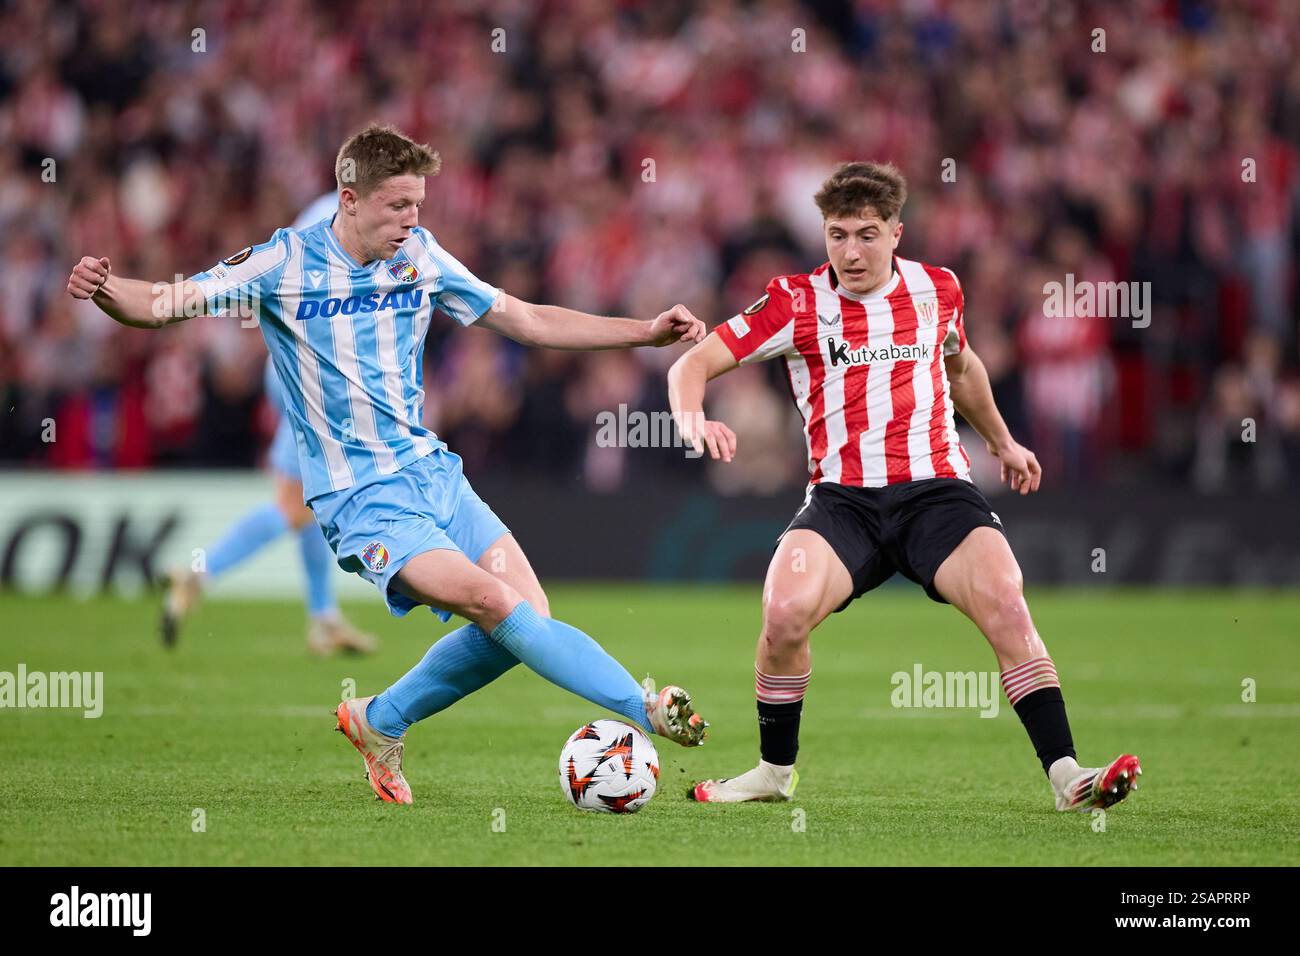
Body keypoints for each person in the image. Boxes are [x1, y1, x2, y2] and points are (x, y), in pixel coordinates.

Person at [68, 124, 709, 805]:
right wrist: (109, 290)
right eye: (397, 205)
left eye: (418, 205)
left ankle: (379, 721)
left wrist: (642, 332)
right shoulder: (283, 263)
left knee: (527, 615)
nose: (412, 219)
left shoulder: (421, 257)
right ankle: (640, 706)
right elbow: (170, 303)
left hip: (434, 475)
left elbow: (525, 319)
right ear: (349, 199)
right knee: (498, 604)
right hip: (360, 498)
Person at [667, 161, 1140, 812]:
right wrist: (691, 416)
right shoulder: (794, 302)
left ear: (896, 232)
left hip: (935, 492)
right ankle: (774, 773)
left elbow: (961, 362)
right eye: (837, 235)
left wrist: (1001, 441)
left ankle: (1065, 775)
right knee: (782, 616)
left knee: (1005, 600)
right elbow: (694, 362)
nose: (850, 252)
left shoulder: (937, 289)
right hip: (843, 502)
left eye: (866, 234)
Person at [159, 193, 379, 656]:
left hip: (290, 369)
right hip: (312, 374)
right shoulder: (349, 220)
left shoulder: (320, 211)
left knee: (307, 502)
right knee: (297, 505)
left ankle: (323, 617)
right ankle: (200, 573)